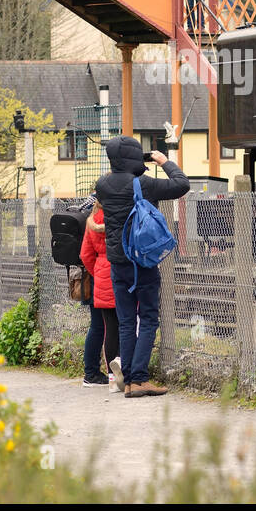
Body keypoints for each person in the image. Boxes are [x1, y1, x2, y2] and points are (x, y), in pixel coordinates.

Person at [94, 137, 188, 397]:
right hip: (142, 261)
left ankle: (129, 379)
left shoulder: (101, 185)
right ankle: (139, 379)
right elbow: (182, 185)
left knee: (126, 321)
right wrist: (163, 161)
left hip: (117, 264)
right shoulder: (143, 184)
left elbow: (113, 182)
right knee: (147, 318)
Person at [78, 200, 121, 389]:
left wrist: (98, 272)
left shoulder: (92, 220)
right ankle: (119, 372)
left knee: (98, 326)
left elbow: (85, 255)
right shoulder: (120, 215)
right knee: (123, 326)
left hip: (100, 277)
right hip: (120, 274)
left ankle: (92, 372)